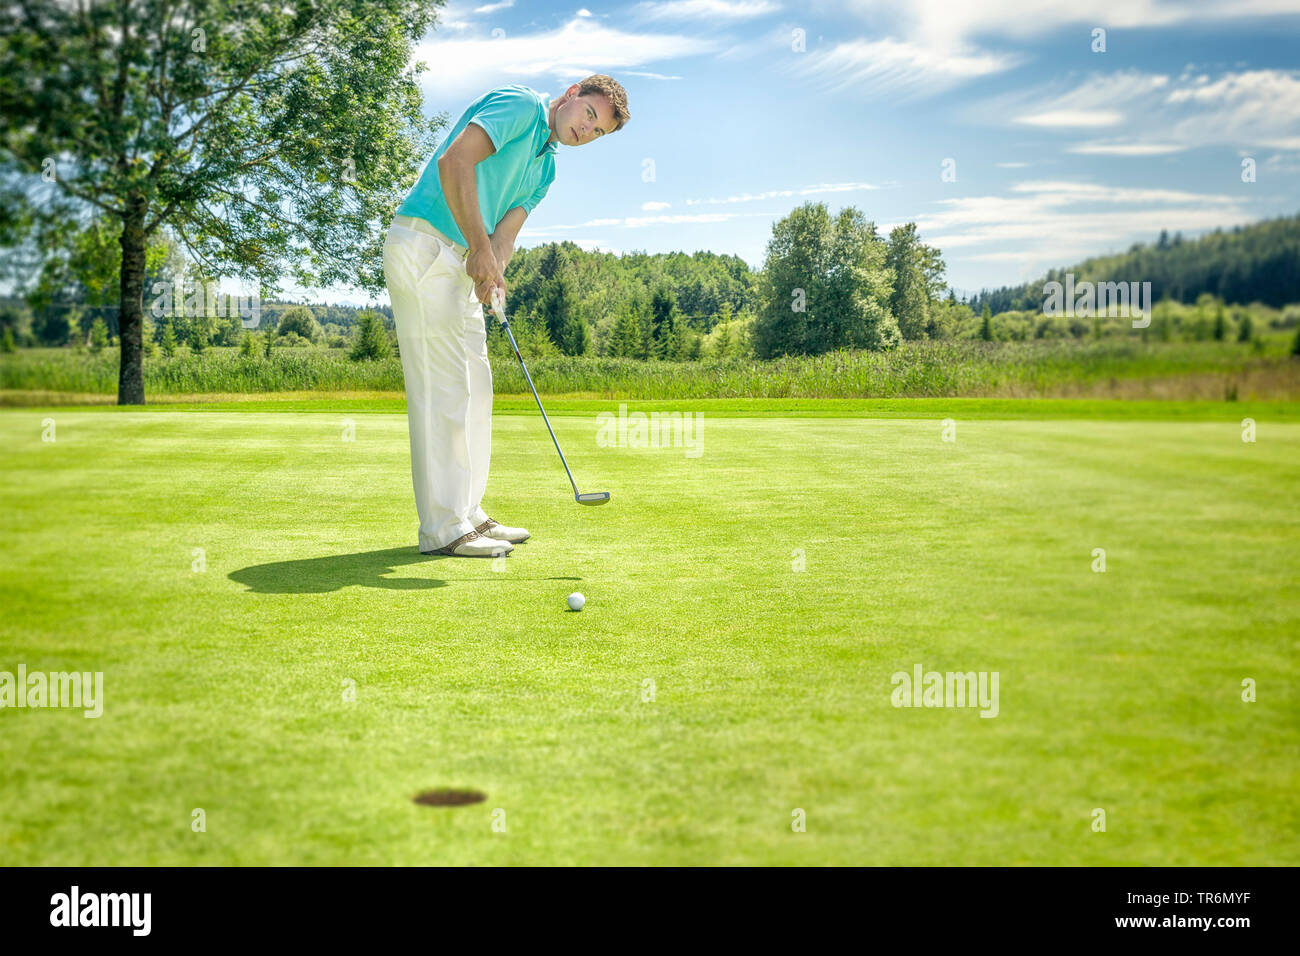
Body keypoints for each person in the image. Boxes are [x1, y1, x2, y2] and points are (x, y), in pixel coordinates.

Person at [383, 76, 630, 557]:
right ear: (573, 93)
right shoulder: (520, 105)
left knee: (477, 387)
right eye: (590, 115)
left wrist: (492, 271)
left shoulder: (546, 170)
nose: (587, 131)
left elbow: (506, 234)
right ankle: (442, 529)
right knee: (445, 387)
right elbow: (454, 161)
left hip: (461, 260)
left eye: (598, 132)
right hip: (425, 244)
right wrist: (479, 248)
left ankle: (468, 513)